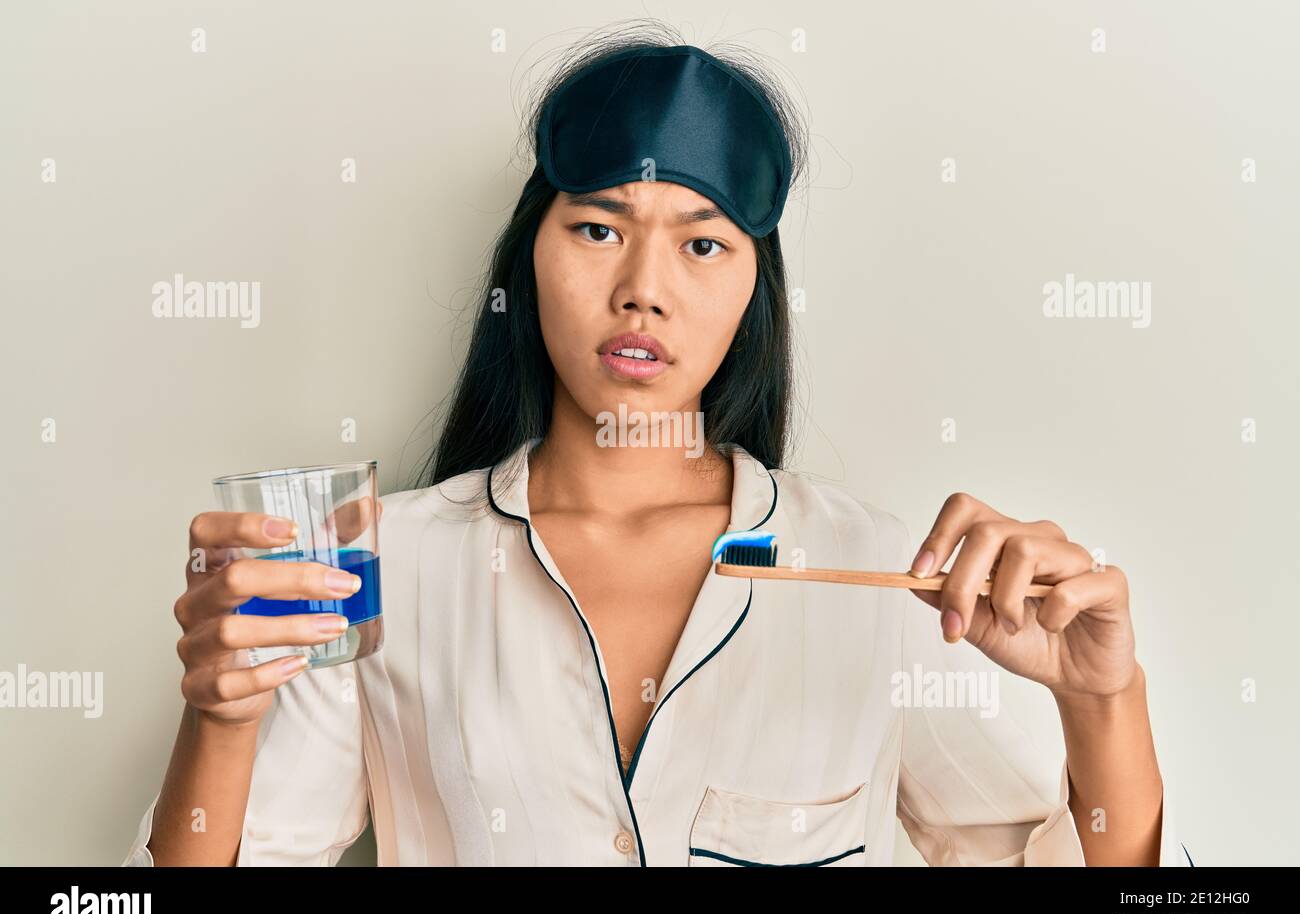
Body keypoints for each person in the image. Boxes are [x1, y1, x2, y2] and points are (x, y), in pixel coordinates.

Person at [124, 26, 1190, 867]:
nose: (643, 286)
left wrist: (1105, 701)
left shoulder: (886, 584)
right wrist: (219, 716)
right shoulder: (378, 568)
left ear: (752, 293)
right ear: (527, 259)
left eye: (702, 242)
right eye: (596, 227)